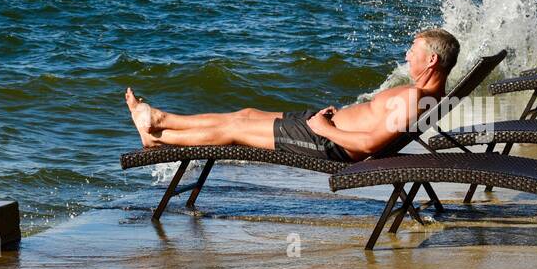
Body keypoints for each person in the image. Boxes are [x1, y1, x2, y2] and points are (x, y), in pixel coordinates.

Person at [125, 29, 459, 162]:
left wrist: (324, 129)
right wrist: (332, 119)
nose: (406, 56)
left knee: (237, 128)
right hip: (328, 128)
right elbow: (374, 124)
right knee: (247, 113)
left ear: (431, 59)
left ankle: (160, 126)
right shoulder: (428, 94)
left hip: (329, 142)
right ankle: (159, 129)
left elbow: (371, 144)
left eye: (412, 51)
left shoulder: (418, 99)